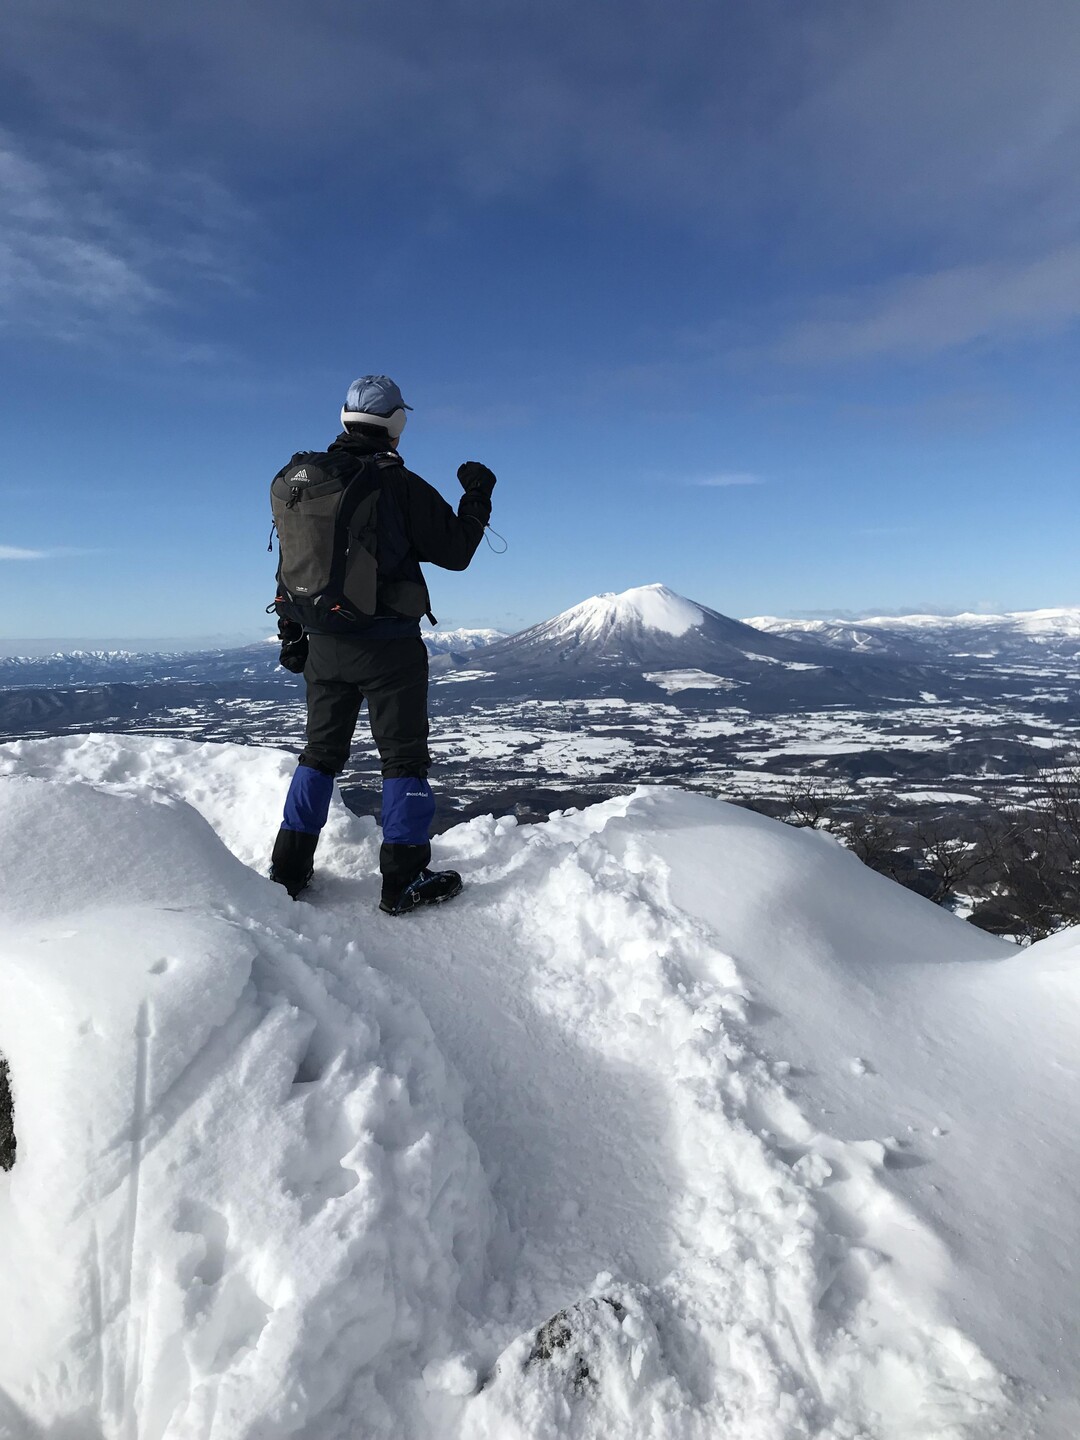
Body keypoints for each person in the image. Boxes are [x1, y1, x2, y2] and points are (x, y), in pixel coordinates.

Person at [268, 375, 496, 913]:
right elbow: (457, 551)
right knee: (404, 759)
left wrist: (293, 631)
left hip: (321, 642)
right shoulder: (397, 484)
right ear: (396, 424)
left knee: (320, 754)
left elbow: (294, 566)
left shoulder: (308, 483)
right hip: (388, 647)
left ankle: (288, 870)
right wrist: (478, 495)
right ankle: (404, 879)